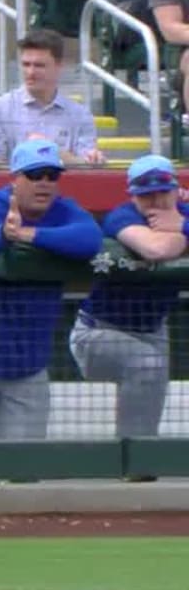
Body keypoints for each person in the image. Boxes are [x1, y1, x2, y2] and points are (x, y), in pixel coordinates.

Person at [0, 140, 103, 441]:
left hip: (27, 363)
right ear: (15, 178)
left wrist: (28, 234)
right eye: (35, 175)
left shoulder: (64, 210)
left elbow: (90, 239)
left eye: (52, 176)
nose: (44, 183)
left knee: (25, 463)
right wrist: (4, 233)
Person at [70, 156, 189, 439]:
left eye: (163, 192)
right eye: (146, 195)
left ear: (177, 190)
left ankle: (138, 457)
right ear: (133, 195)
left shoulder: (183, 214)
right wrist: (182, 230)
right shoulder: (122, 216)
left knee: (149, 404)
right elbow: (157, 249)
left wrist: (182, 224)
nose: (156, 201)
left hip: (154, 330)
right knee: (148, 364)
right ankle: (129, 453)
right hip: (98, 332)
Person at [0, 29, 105, 167]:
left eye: (39, 66)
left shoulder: (80, 115)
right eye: (26, 64)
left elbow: (86, 167)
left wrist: (49, 149)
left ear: (58, 66)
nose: (31, 72)